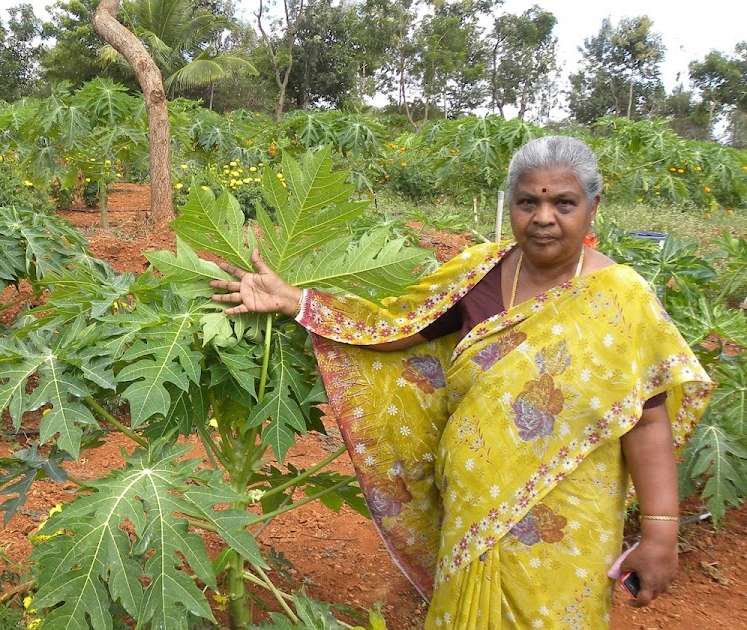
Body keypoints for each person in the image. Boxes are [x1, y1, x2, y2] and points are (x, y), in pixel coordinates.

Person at [209, 136, 714, 629]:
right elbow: (398, 331)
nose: (543, 218)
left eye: (563, 202)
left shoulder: (622, 298)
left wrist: (660, 534)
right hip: (470, 507)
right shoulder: (480, 273)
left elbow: (647, 422)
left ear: (592, 207)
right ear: (511, 205)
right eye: (527, 202)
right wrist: (297, 302)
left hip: (566, 522)